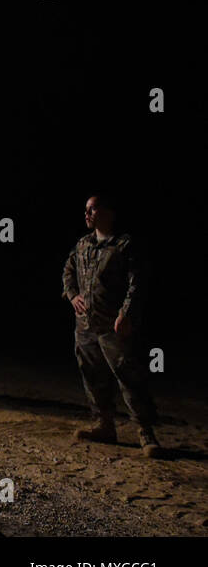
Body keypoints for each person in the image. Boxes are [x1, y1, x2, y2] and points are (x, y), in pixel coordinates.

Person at [63, 194, 162, 458]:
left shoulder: (124, 245)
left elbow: (137, 282)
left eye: (93, 209)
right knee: (92, 375)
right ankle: (103, 424)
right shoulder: (83, 244)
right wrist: (73, 295)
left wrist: (126, 313)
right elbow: (68, 271)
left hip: (113, 324)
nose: (87, 214)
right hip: (85, 325)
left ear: (109, 213)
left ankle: (145, 432)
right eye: (86, 209)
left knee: (128, 376)